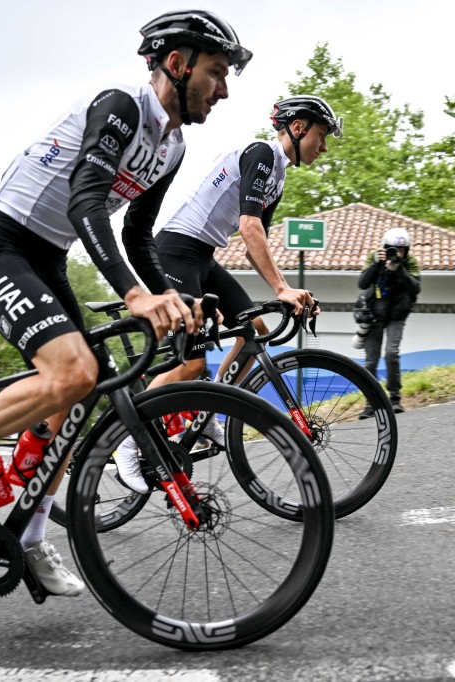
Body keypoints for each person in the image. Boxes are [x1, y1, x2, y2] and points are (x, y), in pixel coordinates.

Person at [0, 10, 253, 596]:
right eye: (216, 73)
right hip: (2, 246)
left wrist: (176, 295)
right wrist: (135, 295)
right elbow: (86, 204)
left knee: (83, 390)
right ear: (176, 64)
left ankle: (29, 535)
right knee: (71, 370)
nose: (223, 90)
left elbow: (138, 236)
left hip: (46, 257)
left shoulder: (171, 146)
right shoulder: (122, 106)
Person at [112, 95, 342, 494]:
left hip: (201, 255)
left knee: (253, 326)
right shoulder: (262, 154)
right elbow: (250, 227)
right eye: (321, 136)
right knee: (189, 364)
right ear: (299, 127)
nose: (323, 148)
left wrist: (280, 290)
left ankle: (206, 413)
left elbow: (256, 240)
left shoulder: (279, 175)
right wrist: (282, 288)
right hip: (175, 251)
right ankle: (126, 443)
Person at [357, 227, 421, 418]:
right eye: (392, 249)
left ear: (406, 250)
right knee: (371, 361)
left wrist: (398, 268)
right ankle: (370, 403)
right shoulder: (375, 257)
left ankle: (395, 398)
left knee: (391, 354)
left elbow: (416, 288)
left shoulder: (409, 262)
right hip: (374, 313)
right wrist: (377, 264)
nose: (396, 253)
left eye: (401, 249)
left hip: (397, 314)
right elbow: (362, 283)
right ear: (385, 247)